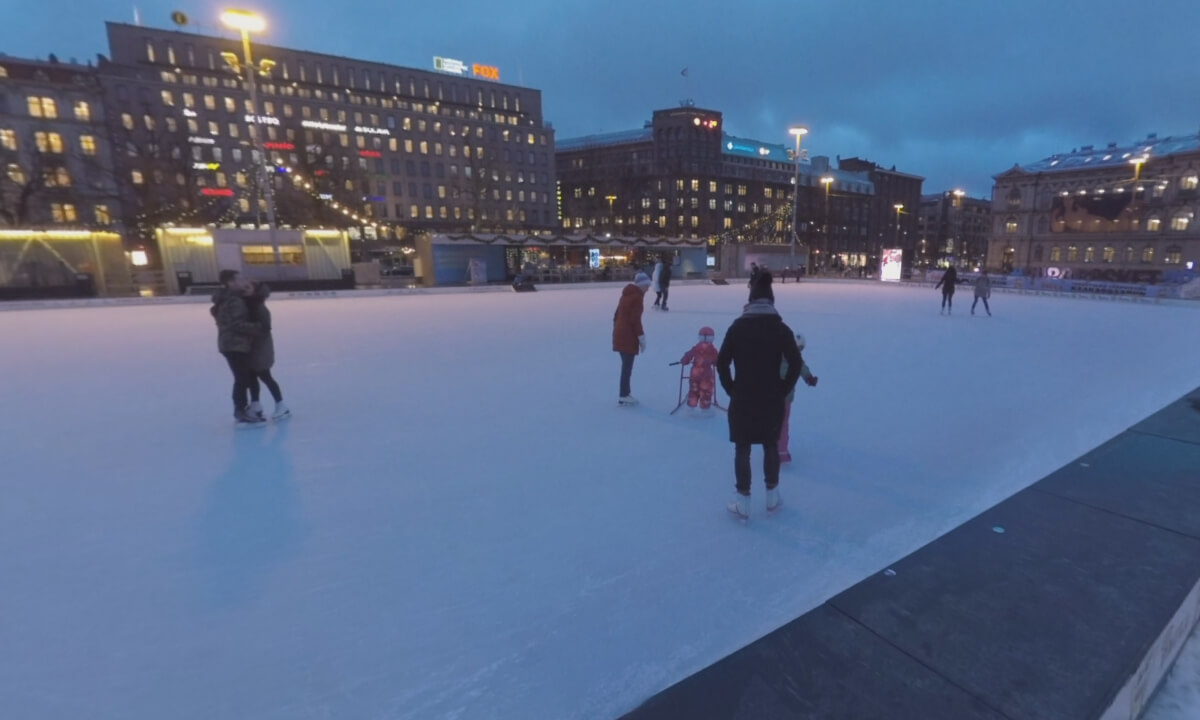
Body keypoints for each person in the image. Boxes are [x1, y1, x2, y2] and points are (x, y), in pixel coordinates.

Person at [717, 271, 801, 520]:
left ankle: (743, 500)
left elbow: (722, 363)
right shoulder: (781, 329)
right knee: (770, 445)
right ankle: (772, 497)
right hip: (771, 397)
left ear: (750, 300)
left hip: (743, 397)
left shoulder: (738, 327)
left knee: (742, 449)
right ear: (771, 301)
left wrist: (732, 389)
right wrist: (782, 390)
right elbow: (795, 363)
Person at [211, 269, 262, 426]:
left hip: (232, 343)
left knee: (243, 378)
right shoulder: (233, 300)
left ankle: (242, 409)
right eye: (240, 279)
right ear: (230, 282)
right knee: (241, 379)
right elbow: (236, 324)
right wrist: (257, 327)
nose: (243, 282)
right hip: (234, 344)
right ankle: (240, 411)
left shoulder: (228, 298)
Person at [244, 282, 290, 421]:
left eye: (247, 287)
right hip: (252, 348)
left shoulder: (259, 307)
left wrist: (244, 328)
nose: (244, 289)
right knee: (252, 377)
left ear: (255, 291)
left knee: (265, 376)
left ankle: (281, 405)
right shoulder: (249, 305)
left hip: (261, 349)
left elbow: (264, 328)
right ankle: (255, 404)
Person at [778, 333, 818, 463]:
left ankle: (772, 449)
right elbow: (802, 368)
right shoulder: (795, 358)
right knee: (782, 424)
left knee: (773, 422)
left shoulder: (776, 353)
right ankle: (781, 452)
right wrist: (809, 378)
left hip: (773, 395)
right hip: (784, 397)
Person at [613, 272, 652, 406]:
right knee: (627, 367)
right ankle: (624, 394)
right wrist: (641, 338)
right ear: (641, 286)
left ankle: (625, 393)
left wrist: (617, 330)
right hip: (627, 335)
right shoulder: (637, 298)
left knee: (626, 366)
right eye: (647, 286)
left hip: (620, 333)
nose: (648, 289)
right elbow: (635, 320)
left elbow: (616, 315)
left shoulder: (625, 295)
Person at [679, 326, 719, 414]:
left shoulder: (695, 349)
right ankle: (705, 409)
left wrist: (684, 361)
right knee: (706, 391)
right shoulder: (713, 351)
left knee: (694, 389)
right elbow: (717, 361)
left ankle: (691, 407)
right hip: (707, 375)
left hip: (695, 374)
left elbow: (687, 357)